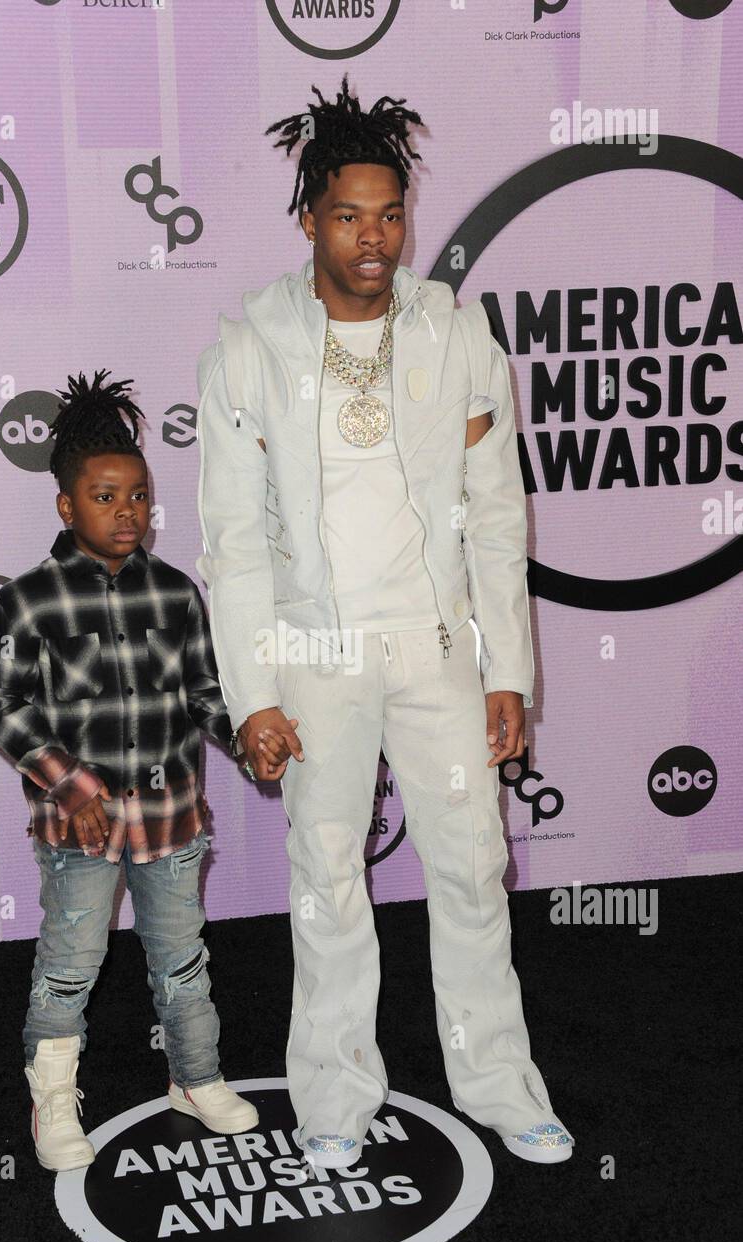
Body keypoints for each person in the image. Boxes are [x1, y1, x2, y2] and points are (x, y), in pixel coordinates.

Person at [195, 76, 575, 1167]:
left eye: (390, 214)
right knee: (325, 878)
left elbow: (497, 516)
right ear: (308, 215)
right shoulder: (248, 351)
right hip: (316, 654)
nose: (373, 239)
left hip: (438, 646)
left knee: (468, 866)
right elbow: (233, 540)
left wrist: (509, 668)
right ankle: (333, 1103)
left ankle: (501, 1084)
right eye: (349, 215)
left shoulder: (458, 337)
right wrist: (254, 693)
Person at [0, 369, 280, 1171]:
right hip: (80, 828)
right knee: (70, 966)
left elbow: (205, 693)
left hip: (173, 821)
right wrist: (71, 786)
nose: (127, 513)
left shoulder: (178, 593)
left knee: (182, 959)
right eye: (105, 497)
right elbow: (2, 704)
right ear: (67, 506)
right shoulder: (29, 600)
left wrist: (248, 740)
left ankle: (196, 1077)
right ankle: (51, 1102)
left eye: (139, 496)